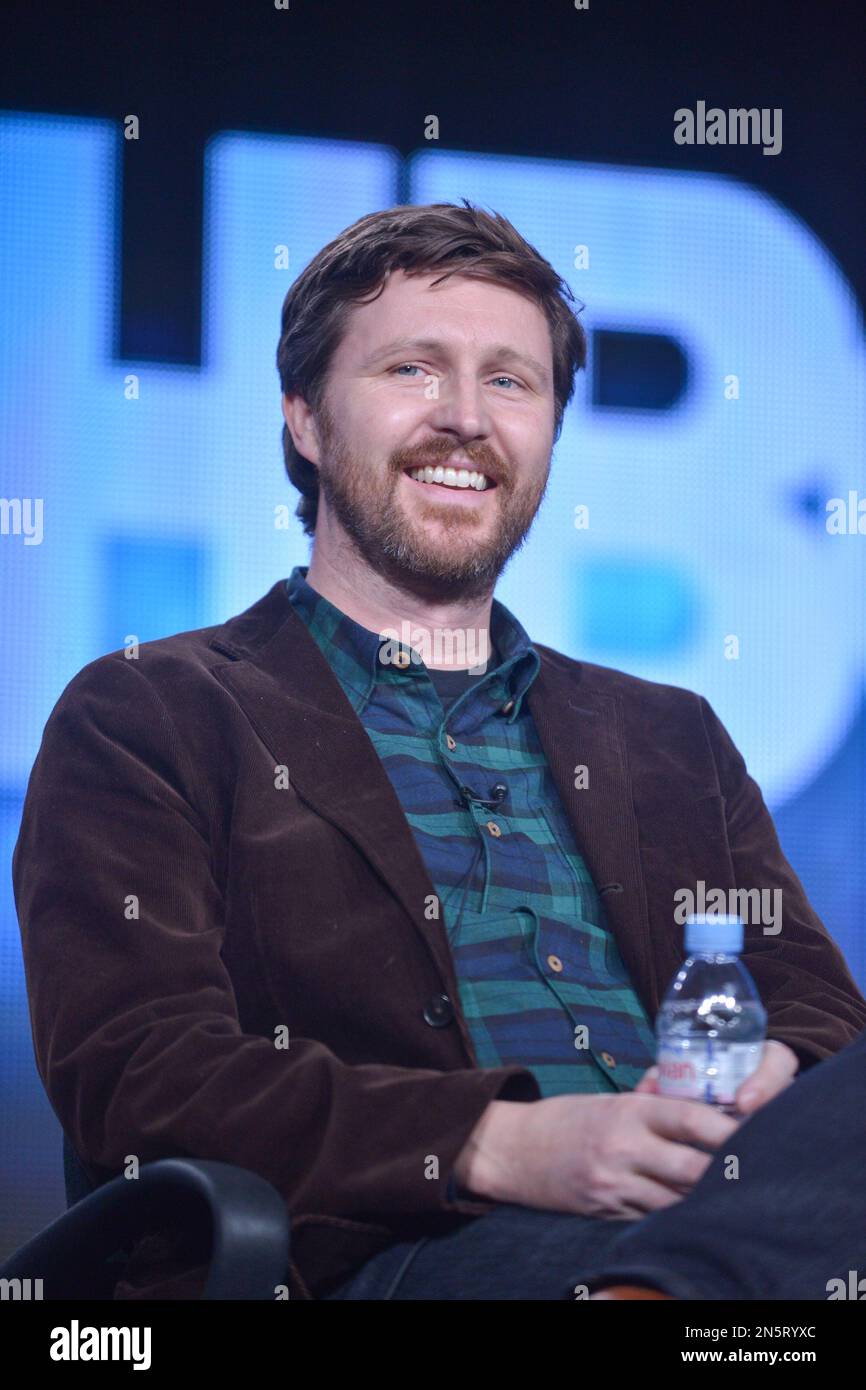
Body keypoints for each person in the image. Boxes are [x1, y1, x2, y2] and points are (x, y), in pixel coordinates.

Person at [13, 201, 866, 1301]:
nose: (464, 418)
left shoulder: (668, 736)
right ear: (305, 422)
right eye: (413, 369)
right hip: (396, 1253)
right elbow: (141, 1076)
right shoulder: (149, 714)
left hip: (728, 1210)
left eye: (509, 381)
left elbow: (813, 1007)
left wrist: (773, 1076)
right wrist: (502, 1144)